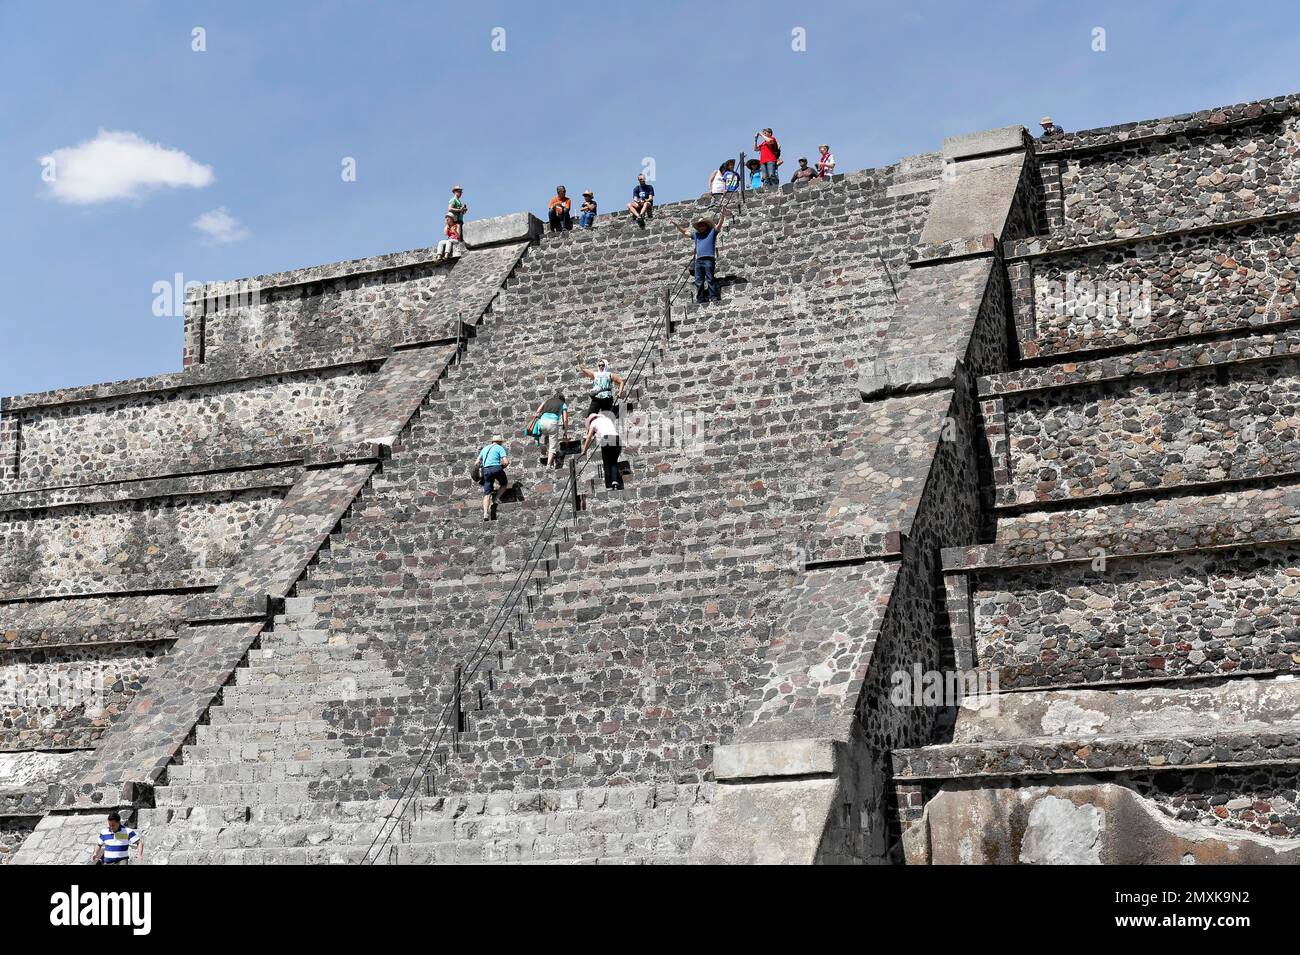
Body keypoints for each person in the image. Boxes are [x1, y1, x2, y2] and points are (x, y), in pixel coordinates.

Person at [672, 207, 725, 304]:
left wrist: (722, 216)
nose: (700, 227)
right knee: (698, 281)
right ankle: (700, 298)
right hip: (699, 260)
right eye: (699, 226)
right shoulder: (696, 235)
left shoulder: (711, 232)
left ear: (706, 226)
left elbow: (719, 225)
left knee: (710, 279)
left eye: (702, 225)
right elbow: (685, 232)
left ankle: (713, 296)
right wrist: (676, 225)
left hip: (709, 259)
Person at [528, 393, 569, 468]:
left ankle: (540, 440)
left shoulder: (546, 401)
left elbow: (538, 411)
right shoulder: (563, 404)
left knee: (547, 436)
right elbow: (565, 419)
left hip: (542, 423)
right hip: (552, 423)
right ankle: (549, 465)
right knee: (552, 446)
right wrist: (565, 431)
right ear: (562, 399)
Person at [584, 413, 623, 490]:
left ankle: (608, 485)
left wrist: (584, 450)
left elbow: (589, 437)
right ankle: (615, 481)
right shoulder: (607, 420)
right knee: (613, 461)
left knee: (607, 462)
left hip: (606, 439)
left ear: (591, 419)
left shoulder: (593, 423)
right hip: (617, 439)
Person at [477, 434, 509, 520]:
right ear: (499, 442)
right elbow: (506, 462)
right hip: (496, 468)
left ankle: (485, 513)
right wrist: (502, 467)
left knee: (486, 493)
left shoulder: (485, 449)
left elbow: (476, 462)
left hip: (486, 470)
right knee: (504, 483)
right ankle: (495, 499)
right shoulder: (499, 448)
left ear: (492, 441)